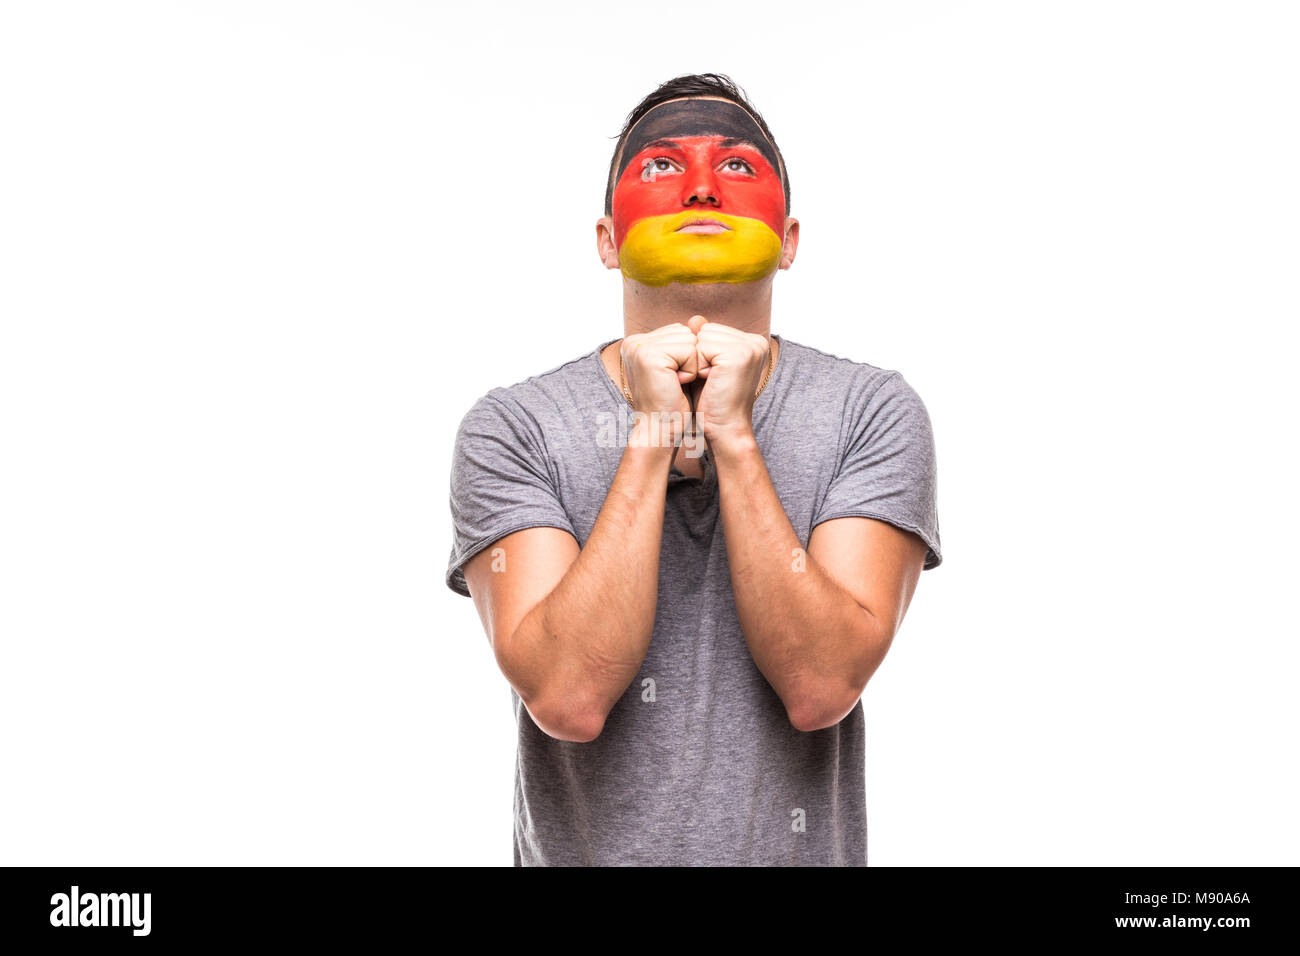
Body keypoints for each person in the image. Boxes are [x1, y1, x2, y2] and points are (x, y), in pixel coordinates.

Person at [445, 73, 942, 866]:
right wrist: (651, 434)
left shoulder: (871, 412)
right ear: (606, 241)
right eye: (664, 167)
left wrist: (734, 438)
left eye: (739, 168)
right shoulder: (513, 428)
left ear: (790, 237)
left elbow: (820, 687)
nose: (703, 190)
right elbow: (568, 697)